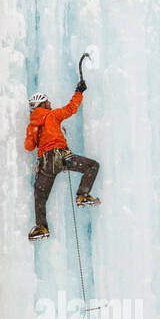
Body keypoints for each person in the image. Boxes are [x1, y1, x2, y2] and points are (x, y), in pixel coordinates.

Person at [24, 78, 100, 241]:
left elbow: (29, 146)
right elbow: (71, 108)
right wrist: (79, 92)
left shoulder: (32, 126)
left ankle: (41, 227)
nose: (50, 103)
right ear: (42, 105)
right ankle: (82, 195)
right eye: (47, 102)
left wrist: (34, 131)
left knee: (40, 194)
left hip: (45, 165)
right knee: (92, 166)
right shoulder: (52, 115)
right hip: (60, 157)